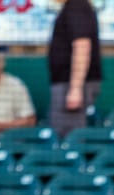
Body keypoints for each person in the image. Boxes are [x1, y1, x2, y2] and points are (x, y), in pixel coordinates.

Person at [48, 0, 102, 139]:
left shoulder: (77, 5)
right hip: (69, 84)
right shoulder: (72, 6)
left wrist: (75, 89)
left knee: (70, 138)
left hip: (72, 85)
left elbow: (82, 45)